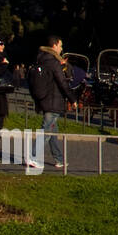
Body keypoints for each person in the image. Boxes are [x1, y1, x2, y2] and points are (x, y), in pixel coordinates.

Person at [28, 36, 77, 170]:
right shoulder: (54, 62)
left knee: (52, 130)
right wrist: (72, 99)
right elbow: (63, 82)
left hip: (43, 99)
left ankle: (59, 159)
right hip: (53, 100)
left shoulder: (41, 59)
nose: (61, 49)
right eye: (60, 46)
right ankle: (33, 157)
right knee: (46, 130)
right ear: (54, 45)